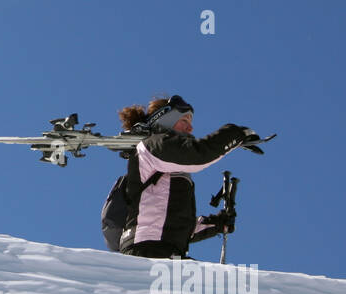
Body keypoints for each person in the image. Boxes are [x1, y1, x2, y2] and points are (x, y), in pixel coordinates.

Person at [100, 94, 261, 259]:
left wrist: (217, 224)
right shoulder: (151, 146)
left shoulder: (174, 169)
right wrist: (235, 134)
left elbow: (172, 225)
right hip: (148, 249)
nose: (190, 128)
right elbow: (198, 155)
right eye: (184, 120)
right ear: (165, 120)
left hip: (164, 250)